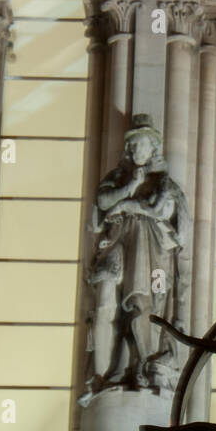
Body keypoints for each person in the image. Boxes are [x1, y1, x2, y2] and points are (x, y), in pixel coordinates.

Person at [81, 115, 191, 403]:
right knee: (107, 302)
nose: (138, 152)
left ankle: (143, 363)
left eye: (144, 146)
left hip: (151, 250)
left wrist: (131, 204)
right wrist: (130, 188)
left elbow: (168, 211)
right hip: (118, 243)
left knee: (145, 302)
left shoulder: (164, 181)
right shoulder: (118, 177)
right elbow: (103, 202)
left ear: (153, 148)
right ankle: (99, 378)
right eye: (134, 147)